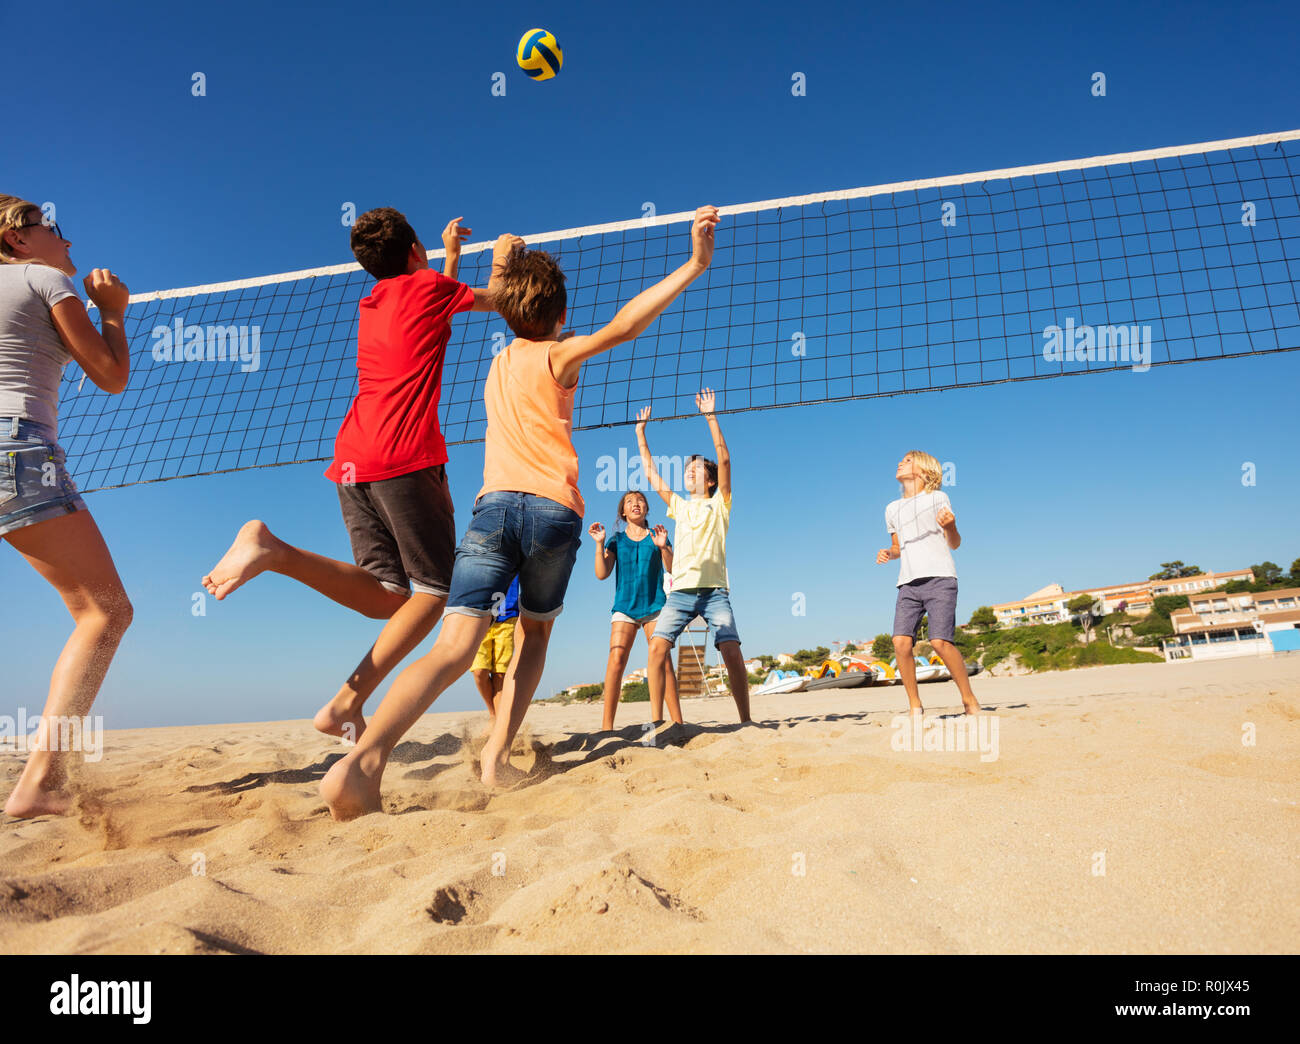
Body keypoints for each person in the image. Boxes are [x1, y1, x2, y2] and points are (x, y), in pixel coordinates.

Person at [320, 204, 721, 819]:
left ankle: (365, 760)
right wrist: (694, 263)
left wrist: (495, 262)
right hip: (551, 513)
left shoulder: (497, 362)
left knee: (451, 648)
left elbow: (481, 304)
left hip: (490, 510)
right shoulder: (559, 356)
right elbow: (625, 325)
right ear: (560, 316)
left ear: (506, 312)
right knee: (534, 633)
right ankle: (495, 757)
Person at [202, 209, 517, 742]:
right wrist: (505, 252)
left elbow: (440, 296)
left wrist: (449, 256)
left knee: (391, 594)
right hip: (404, 456)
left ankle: (276, 552)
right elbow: (501, 301)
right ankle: (348, 699)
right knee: (437, 592)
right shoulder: (428, 287)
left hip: (354, 458)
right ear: (416, 251)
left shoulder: (374, 302)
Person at [0, 195, 133, 818]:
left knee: (97, 612)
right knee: (104, 612)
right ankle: (41, 783)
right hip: (18, 448)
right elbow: (109, 376)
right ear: (17, 238)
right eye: (52, 227)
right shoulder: (43, 278)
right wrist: (113, 313)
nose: (67, 240)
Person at [638, 390, 752, 724]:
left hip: (715, 592)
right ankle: (659, 721)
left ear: (711, 480)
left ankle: (745, 720)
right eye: (688, 469)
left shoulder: (720, 504)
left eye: (697, 468)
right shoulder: (679, 506)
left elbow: (726, 459)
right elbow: (651, 473)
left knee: (731, 650)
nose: (689, 471)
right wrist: (640, 433)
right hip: (681, 593)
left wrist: (710, 416)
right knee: (657, 649)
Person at [875, 451, 981, 715]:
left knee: (939, 642)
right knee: (900, 642)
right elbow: (898, 546)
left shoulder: (938, 498)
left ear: (925, 471)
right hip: (908, 583)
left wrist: (952, 526)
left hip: (940, 577)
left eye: (908, 460)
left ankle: (968, 699)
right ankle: (915, 705)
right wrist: (889, 552)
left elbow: (954, 543)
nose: (900, 462)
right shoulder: (891, 508)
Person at [589, 491, 679, 730]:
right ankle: (607, 727)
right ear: (623, 512)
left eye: (640, 500)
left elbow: (671, 568)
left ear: (646, 509)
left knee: (664, 663)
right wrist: (599, 544)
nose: (635, 504)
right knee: (616, 659)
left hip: (655, 606)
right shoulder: (616, 540)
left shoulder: (657, 536)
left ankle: (675, 722)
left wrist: (664, 548)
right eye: (629, 501)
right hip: (625, 608)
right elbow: (601, 573)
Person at [471, 575, 519, 726]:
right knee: (479, 671)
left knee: (500, 674)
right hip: (478, 616)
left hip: (508, 617)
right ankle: (492, 713)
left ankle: (498, 723)